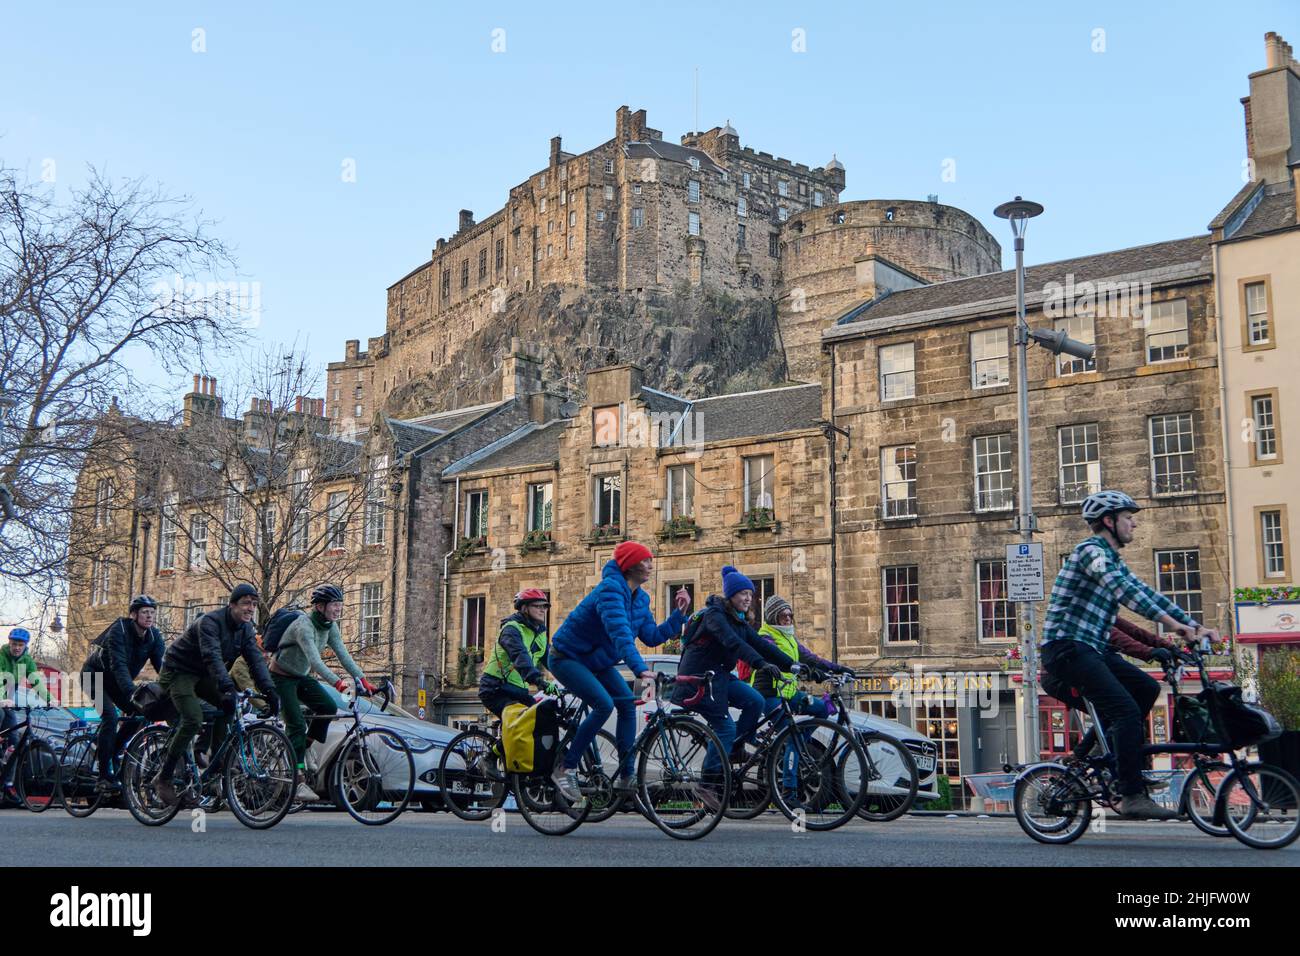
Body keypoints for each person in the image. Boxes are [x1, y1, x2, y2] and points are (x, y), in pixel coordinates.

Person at [1041, 490, 1216, 820]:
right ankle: (1130, 793)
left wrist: (1194, 625)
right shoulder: (1090, 553)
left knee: (1147, 690)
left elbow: (1146, 593)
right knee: (1123, 710)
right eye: (1128, 517)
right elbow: (1126, 593)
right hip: (1066, 648)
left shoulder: (1113, 560)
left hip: (1090, 648)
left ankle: (1106, 760)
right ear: (1109, 521)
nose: (1133, 523)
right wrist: (1176, 629)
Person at [548, 541, 690, 801]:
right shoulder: (609, 591)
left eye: (650, 560)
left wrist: (678, 616)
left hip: (597, 661)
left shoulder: (641, 598)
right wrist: (640, 670)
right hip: (567, 657)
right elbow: (620, 635)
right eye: (645, 560)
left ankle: (627, 775)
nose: (650, 565)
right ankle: (565, 767)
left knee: (626, 705)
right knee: (603, 704)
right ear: (630, 565)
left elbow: (651, 636)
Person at [152, 584, 280, 804]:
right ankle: (163, 777)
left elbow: (256, 661)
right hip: (178, 670)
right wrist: (227, 688)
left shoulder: (246, 630)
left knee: (227, 708)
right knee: (193, 719)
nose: (250, 608)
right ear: (232, 605)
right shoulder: (210, 622)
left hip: (203, 673)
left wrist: (270, 691)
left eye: (254, 604)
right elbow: (212, 656)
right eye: (245, 603)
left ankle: (216, 765)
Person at [672, 567, 796, 791]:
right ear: (731, 595)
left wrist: (794, 665)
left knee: (755, 701)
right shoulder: (714, 616)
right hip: (698, 680)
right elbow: (734, 644)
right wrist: (761, 664)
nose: (749, 598)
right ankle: (707, 784)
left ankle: (734, 747)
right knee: (726, 728)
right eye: (743, 593)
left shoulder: (738, 621)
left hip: (719, 678)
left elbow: (761, 646)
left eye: (751, 593)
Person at [269, 584, 375, 795]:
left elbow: (343, 655)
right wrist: (338, 682)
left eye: (340, 605)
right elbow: (315, 662)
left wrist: (362, 678)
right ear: (319, 606)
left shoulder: (330, 626)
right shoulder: (304, 626)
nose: (338, 609)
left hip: (300, 676)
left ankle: (306, 748)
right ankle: (297, 780)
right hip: (281, 677)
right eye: (334, 605)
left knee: (327, 707)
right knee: (297, 725)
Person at [1043, 616, 1179, 770]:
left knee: (1130, 708)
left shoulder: (1107, 608)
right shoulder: (1092, 608)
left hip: (1093, 661)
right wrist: (1148, 651)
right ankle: (1101, 759)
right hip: (1063, 674)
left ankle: (1086, 755)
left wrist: (1169, 646)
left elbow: (1133, 631)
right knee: (1120, 711)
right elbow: (1115, 636)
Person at [81, 595, 166, 792]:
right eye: (145, 612)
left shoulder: (154, 636)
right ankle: (103, 777)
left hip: (117, 683)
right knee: (110, 717)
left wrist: (175, 688)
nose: (150, 616)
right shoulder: (118, 630)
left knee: (142, 712)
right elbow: (118, 665)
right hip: (94, 677)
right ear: (134, 614)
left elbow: (163, 666)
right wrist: (131, 692)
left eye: (152, 612)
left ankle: (114, 751)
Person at [752, 594, 852, 722]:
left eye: (790, 615)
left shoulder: (790, 639)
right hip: (770, 695)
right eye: (783, 615)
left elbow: (810, 658)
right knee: (792, 737)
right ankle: (794, 742)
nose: (788, 618)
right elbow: (777, 657)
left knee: (824, 709)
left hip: (789, 693)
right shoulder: (765, 637)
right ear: (773, 617)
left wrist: (838, 668)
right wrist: (808, 671)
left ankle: (803, 741)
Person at [479, 589, 556, 718]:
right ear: (524, 608)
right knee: (523, 723)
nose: (543, 610)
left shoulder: (540, 634)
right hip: (496, 688)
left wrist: (571, 678)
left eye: (545, 606)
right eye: (537, 606)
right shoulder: (511, 629)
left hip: (517, 691)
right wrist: (538, 680)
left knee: (543, 718)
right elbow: (520, 656)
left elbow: (553, 661)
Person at [2, 627, 52, 796]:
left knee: (14, 740)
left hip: (7, 699)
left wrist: (49, 698)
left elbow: (35, 680)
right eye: (14, 644)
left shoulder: (27, 661)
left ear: (25, 646)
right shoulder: (1, 656)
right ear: (9, 643)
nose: (16, 648)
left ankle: (7, 783)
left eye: (20, 645)